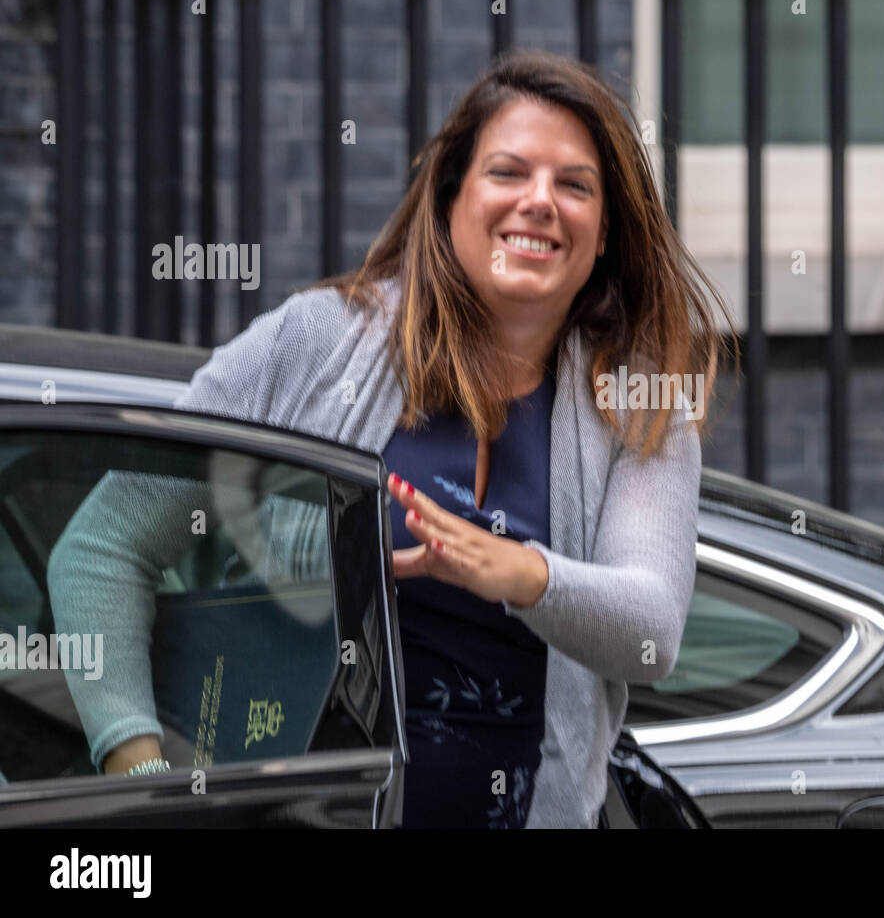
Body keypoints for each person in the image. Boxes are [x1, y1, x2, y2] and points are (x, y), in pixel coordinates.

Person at [47, 48, 737, 828]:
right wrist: (142, 778)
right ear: (450, 198)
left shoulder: (637, 406)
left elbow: (650, 631)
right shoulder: (315, 346)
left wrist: (516, 571)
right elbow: (101, 549)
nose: (540, 201)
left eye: (575, 185)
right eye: (508, 172)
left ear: (605, 230)